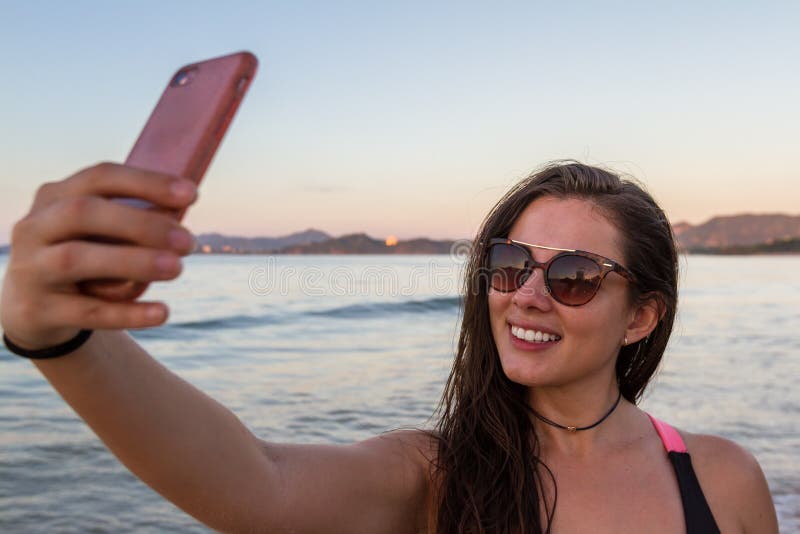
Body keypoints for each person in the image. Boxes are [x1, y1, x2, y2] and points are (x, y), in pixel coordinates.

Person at [1, 161, 778, 533]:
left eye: (574, 275)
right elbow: (254, 486)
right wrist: (63, 338)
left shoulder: (720, 480)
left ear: (640, 316)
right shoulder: (438, 477)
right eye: (509, 264)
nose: (527, 294)